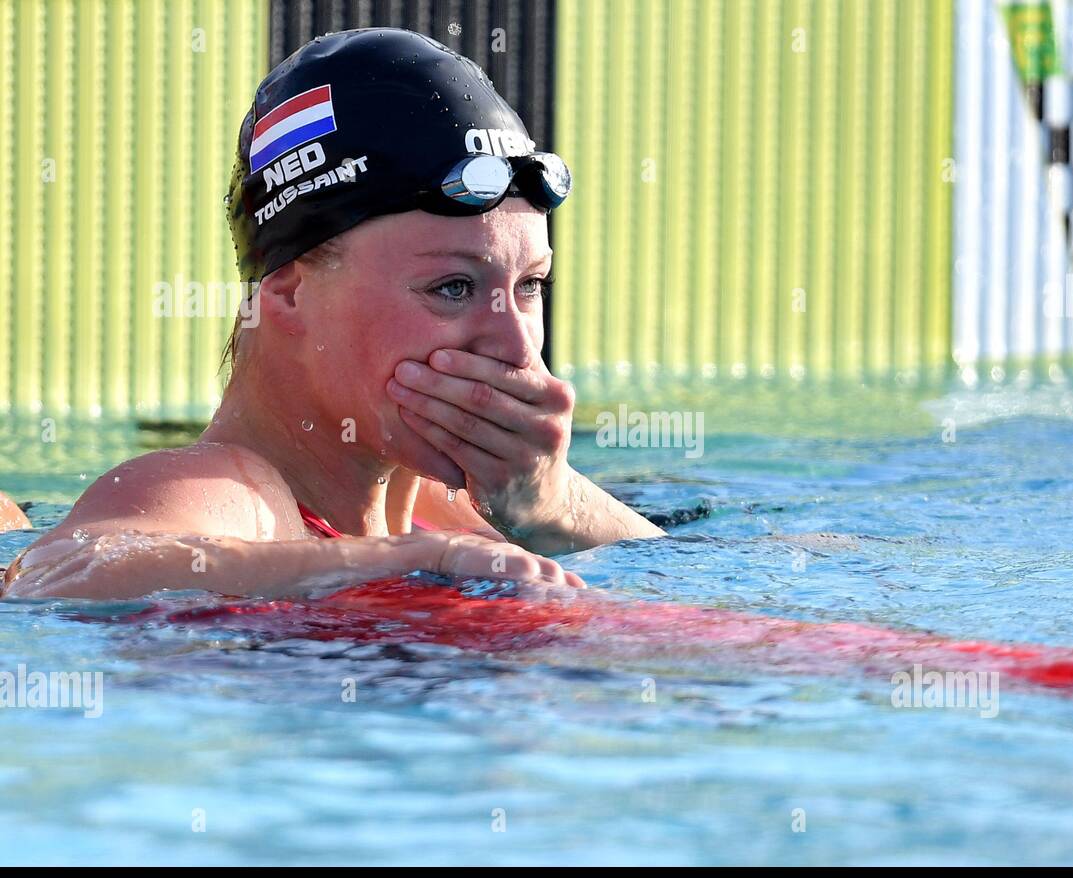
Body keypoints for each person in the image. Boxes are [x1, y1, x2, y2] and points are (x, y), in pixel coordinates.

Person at [2, 28, 662, 601]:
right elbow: (54, 574)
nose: (518, 348)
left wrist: (547, 503)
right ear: (288, 291)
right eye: (453, 287)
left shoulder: (455, 513)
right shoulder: (233, 494)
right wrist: (412, 565)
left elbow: (698, 593)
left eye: (529, 286)